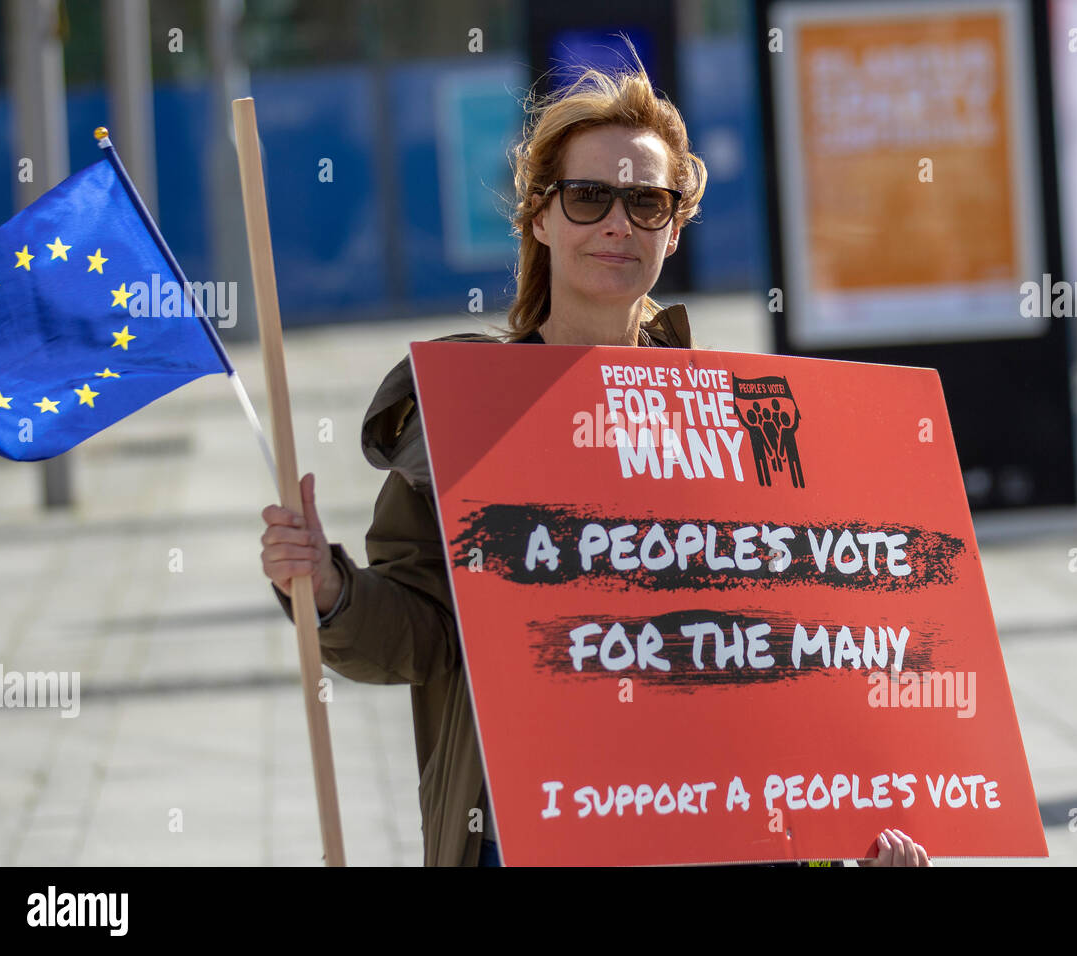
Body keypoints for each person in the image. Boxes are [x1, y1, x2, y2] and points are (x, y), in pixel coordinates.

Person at [260, 51, 930, 868]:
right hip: (532, 836)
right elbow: (420, 639)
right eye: (588, 197)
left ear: (675, 226)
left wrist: (844, 840)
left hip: (710, 840)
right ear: (540, 218)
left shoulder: (746, 424)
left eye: (646, 202)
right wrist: (329, 592)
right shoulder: (468, 415)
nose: (618, 223)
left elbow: (802, 655)